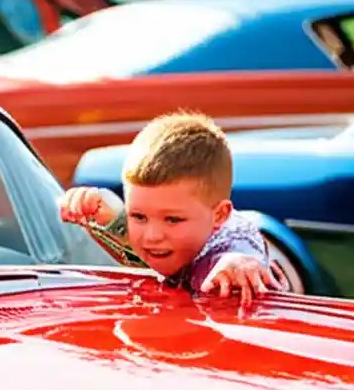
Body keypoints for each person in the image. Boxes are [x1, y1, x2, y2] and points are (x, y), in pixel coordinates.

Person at [57, 112, 286, 306]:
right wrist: (105, 213)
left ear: (219, 215)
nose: (152, 236)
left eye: (173, 220)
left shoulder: (233, 243)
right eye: (138, 216)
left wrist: (237, 261)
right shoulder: (177, 233)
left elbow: (236, 250)